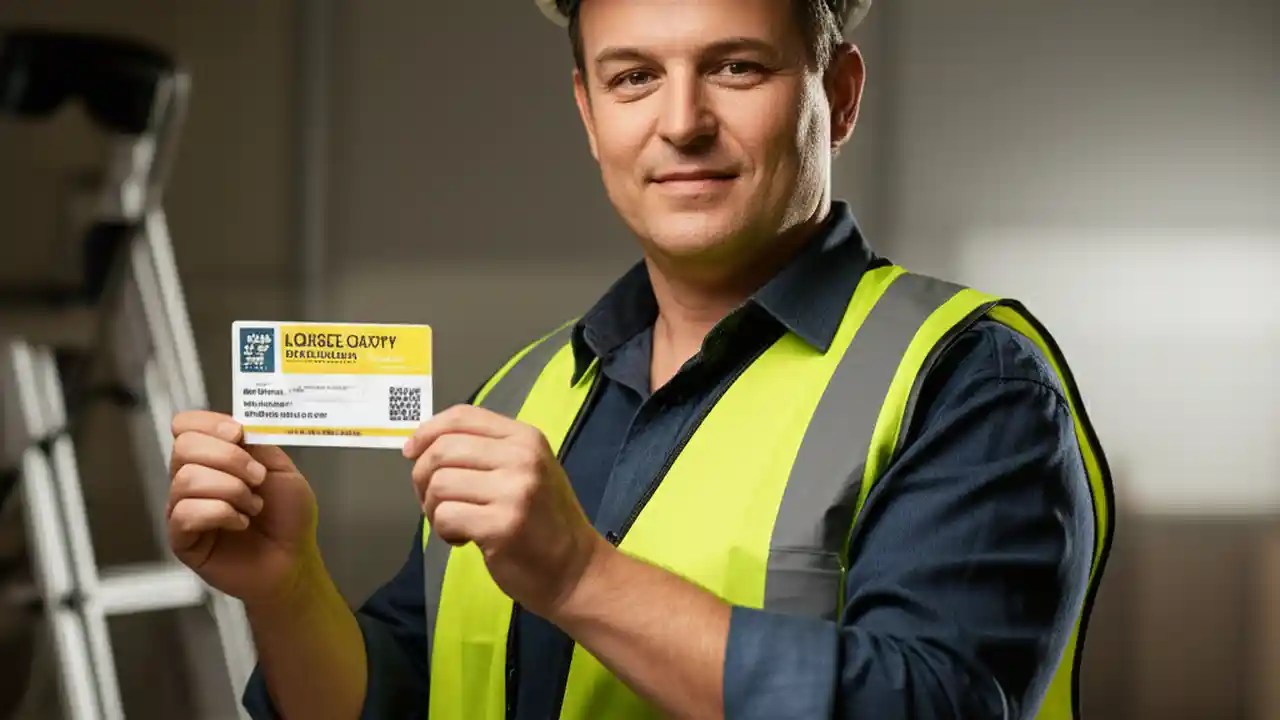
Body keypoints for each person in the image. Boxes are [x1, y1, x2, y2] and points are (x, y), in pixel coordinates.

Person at [167, 0, 1114, 717]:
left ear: (840, 94)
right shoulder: (521, 392)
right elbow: (395, 698)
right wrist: (288, 588)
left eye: (736, 68)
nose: (682, 122)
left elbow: (932, 703)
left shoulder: (965, 378)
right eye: (633, 79)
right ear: (588, 112)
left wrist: (581, 575)